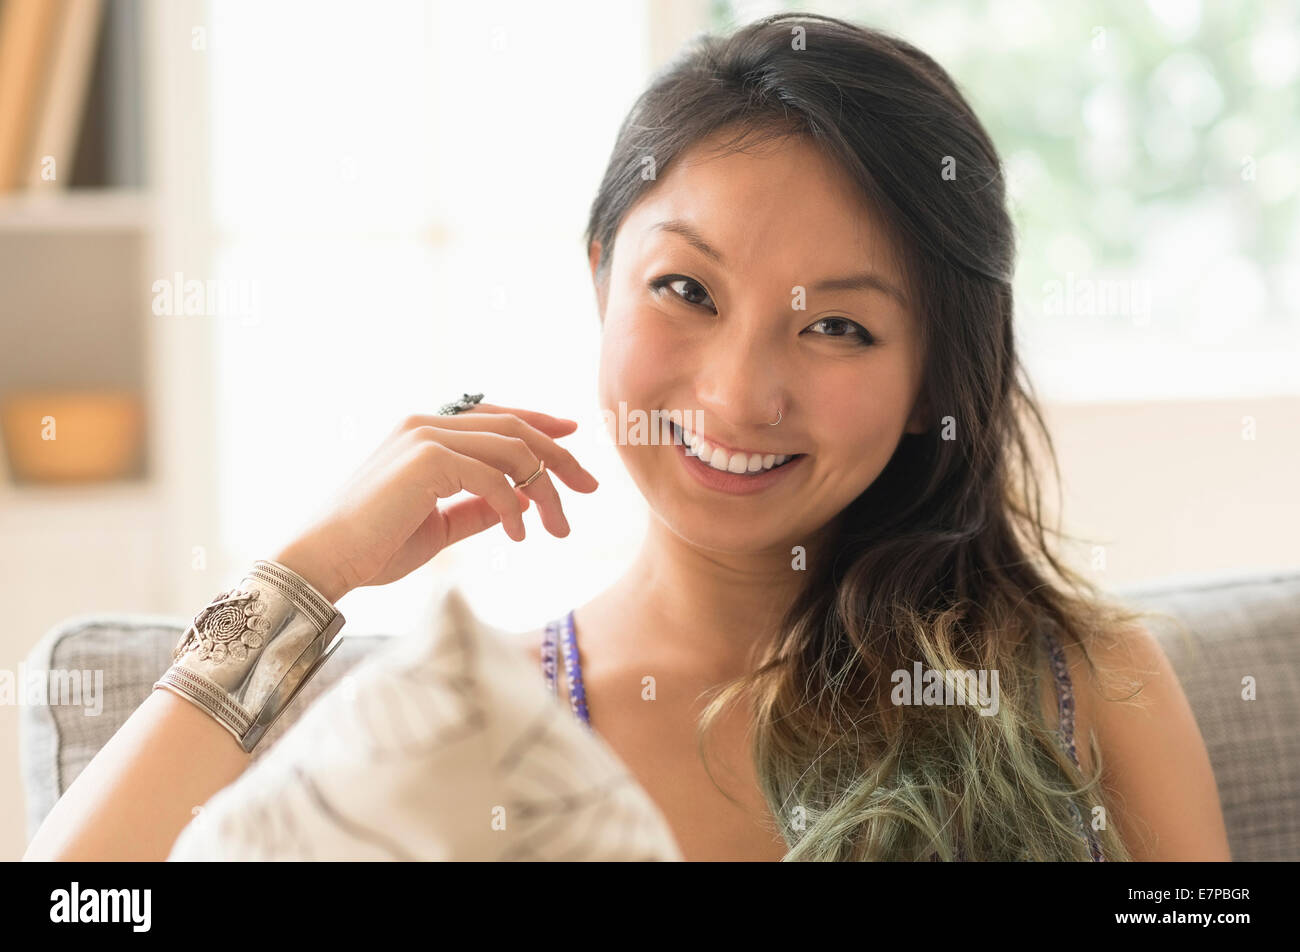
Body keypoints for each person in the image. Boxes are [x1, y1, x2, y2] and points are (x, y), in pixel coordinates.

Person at [24, 12, 1230, 862]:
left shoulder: (1076, 681)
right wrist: (310, 570)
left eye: (840, 328)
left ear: (932, 377)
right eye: (687, 292)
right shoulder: (472, 725)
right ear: (602, 275)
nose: (739, 394)